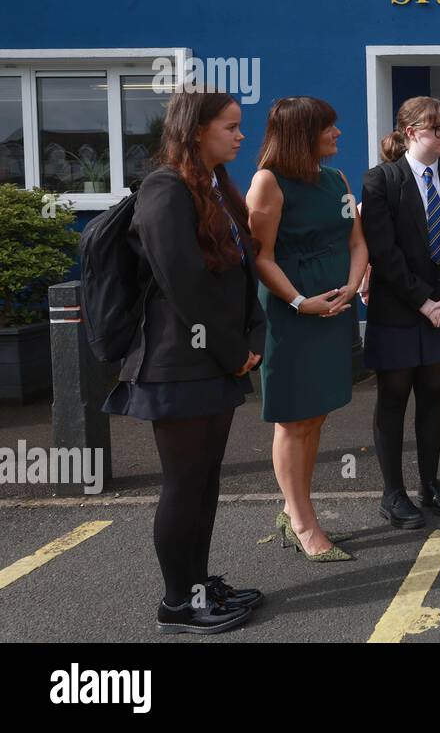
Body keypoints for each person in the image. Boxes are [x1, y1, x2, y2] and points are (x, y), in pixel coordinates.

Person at [103, 87, 266, 634]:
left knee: (205, 480)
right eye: (231, 127)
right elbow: (183, 285)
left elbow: (241, 267)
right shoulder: (164, 189)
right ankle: (177, 602)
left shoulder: (215, 185)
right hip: (177, 361)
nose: (242, 135)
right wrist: (232, 349)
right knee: (184, 481)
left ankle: (197, 583)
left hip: (214, 357)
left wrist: (252, 333)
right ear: (196, 131)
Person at [247, 97, 366, 562]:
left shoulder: (335, 179)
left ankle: (295, 508)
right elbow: (260, 256)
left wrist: (352, 287)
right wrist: (300, 302)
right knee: (293, 418)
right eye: (329, 128)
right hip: (292, 315)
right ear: (302, 134)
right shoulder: (268, 183)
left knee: (316, 414)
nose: (338, 135)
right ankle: (301, 522)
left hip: (333, 308)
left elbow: (356, 239)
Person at [360, 97, 440, 528]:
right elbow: (385, 252)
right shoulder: (381, 181)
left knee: (433, 398)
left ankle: (431, 484)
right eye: (438, 129)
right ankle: (393, 495)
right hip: (400, 312)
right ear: (411, 132)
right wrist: (423, 301)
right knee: (393, 401)